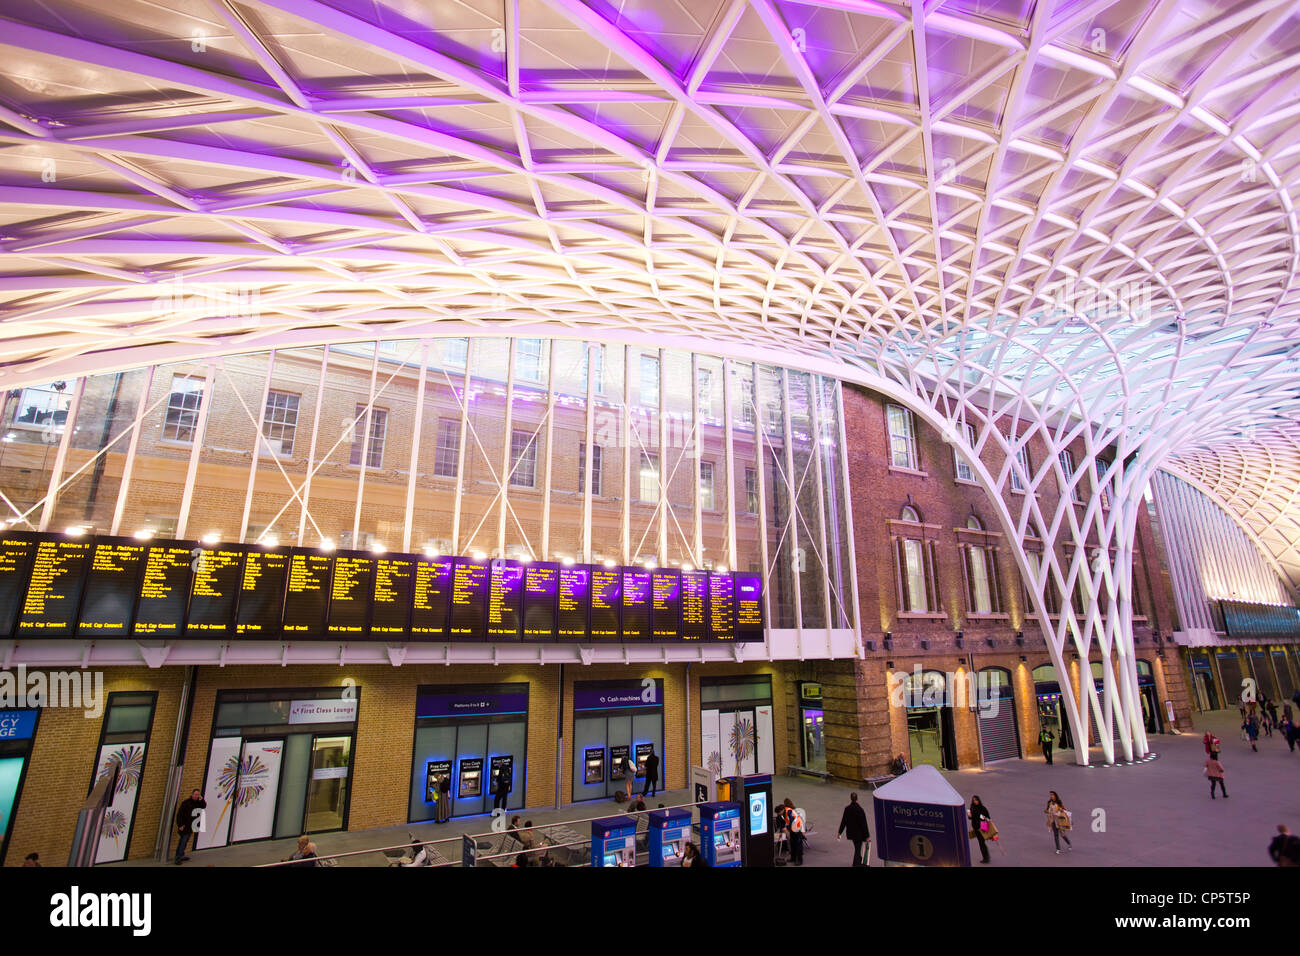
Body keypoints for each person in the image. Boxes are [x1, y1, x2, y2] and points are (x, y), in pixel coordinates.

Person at [837, 791, 870, 866]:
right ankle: (856, 864)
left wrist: (839, 832)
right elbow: (864, 824)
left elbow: (843, 821)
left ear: (851, 798)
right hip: (859, 834)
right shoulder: (860, 810)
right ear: (857, 799)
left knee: (857, 848)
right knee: (858, 849)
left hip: (851, 833)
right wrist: (867, 836)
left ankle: (859, 861)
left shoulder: (847, 809)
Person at [174, 788, 206, 865]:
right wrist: (180, 824)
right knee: (183, 841)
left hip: (192, 825)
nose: (197, 796)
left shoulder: (198, 803)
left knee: (186, 841)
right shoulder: (186, 803)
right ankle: (178, 857)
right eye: (195, 794)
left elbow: (204, 806)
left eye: (198, 795)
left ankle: (181, 855)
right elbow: (180, 814)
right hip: (185, 825)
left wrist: (202, 800)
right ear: (192, 794)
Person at [781, 798, 805, 866]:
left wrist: (786, 828)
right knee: (794, 844)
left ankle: (798, 860)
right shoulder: (793, 810)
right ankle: (794, 858)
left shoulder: (789, 811)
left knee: (797, 845)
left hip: (796, 829)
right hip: (795, 829)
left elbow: (792, 821)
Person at [969, 795, 992, 864]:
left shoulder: (983, 808)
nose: (975, 801)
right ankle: (986, 857)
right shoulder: (972, 808)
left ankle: (986, 858)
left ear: (979, 800)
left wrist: (981, 816)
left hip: (982, 827)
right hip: (976, 827)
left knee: (982, 843)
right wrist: (969, 816)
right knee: (981, 843)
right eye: (974, 800)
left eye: (976, 800)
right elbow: (971, 817)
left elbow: (988, 818)